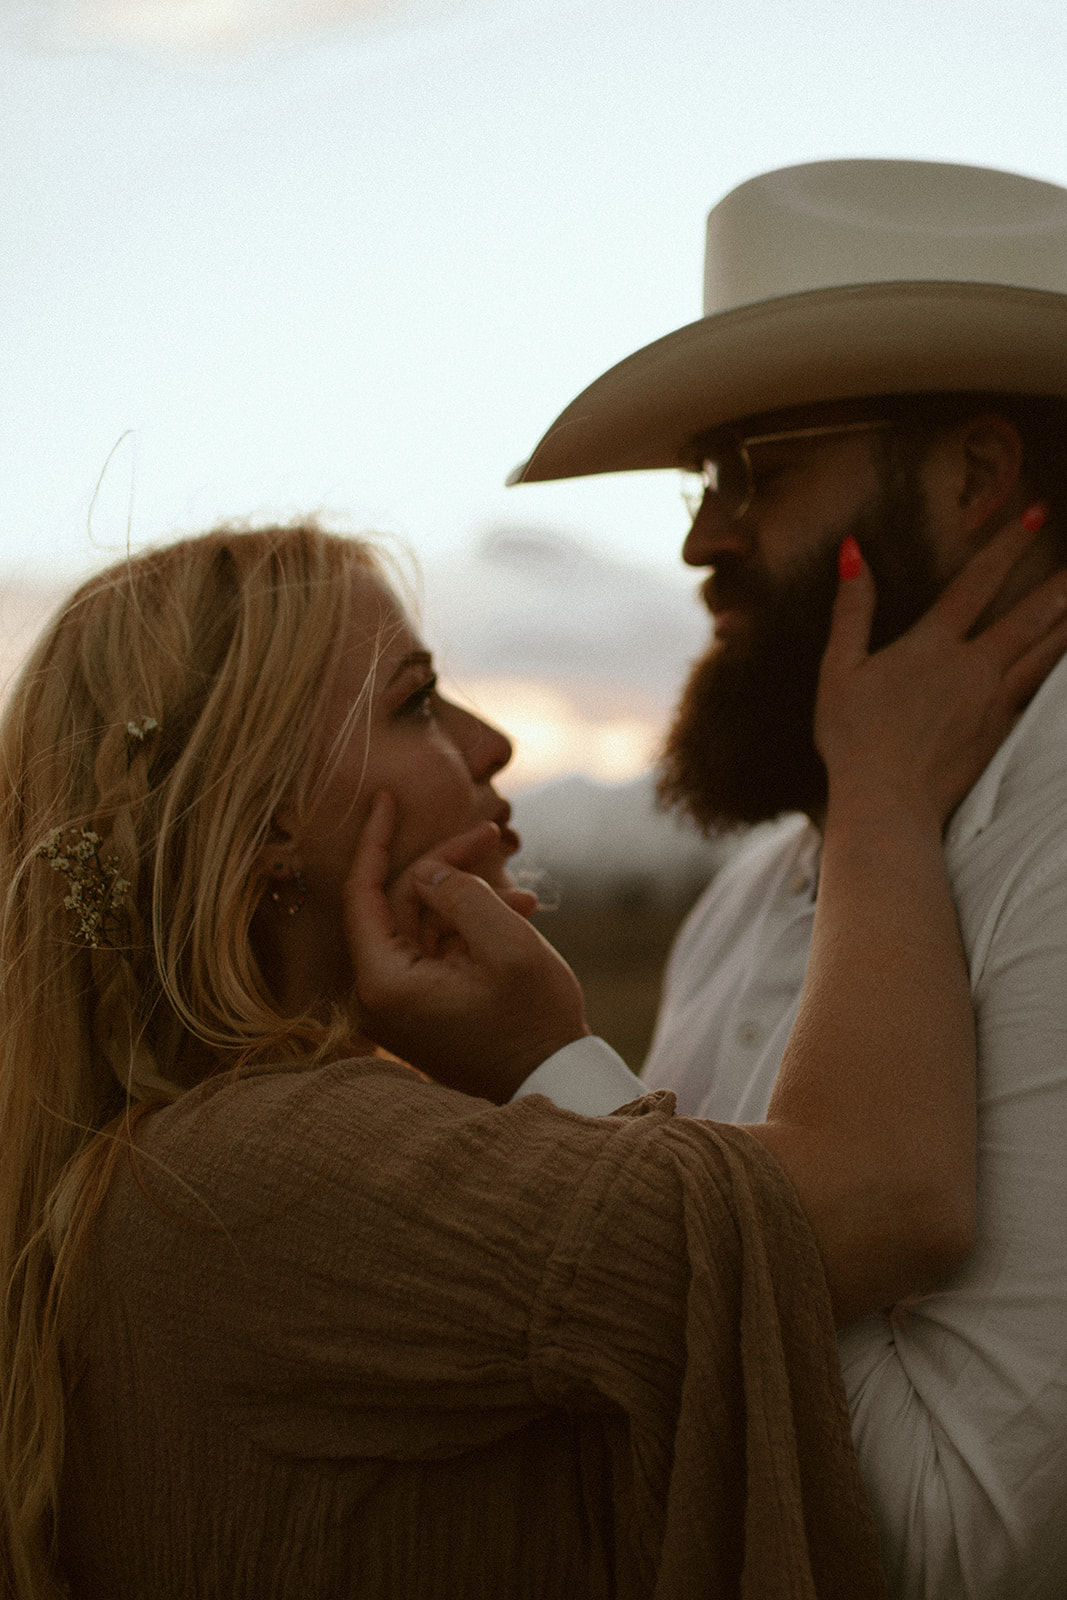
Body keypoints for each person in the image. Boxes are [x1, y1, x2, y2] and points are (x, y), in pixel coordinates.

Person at [0, 522, 1063, 1600]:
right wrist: (878, 787)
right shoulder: (245, 1175)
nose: (488, 743)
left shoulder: (196, 1158)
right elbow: (876, 1193)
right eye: (415, 701)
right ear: (265, 820)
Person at [507, 158, 1067, 1598]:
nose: (700, 537)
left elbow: (951, 1541)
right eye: (703, 480)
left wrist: (547, 1088)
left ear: (974, 476)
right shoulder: (758, 885)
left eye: (755, 467)